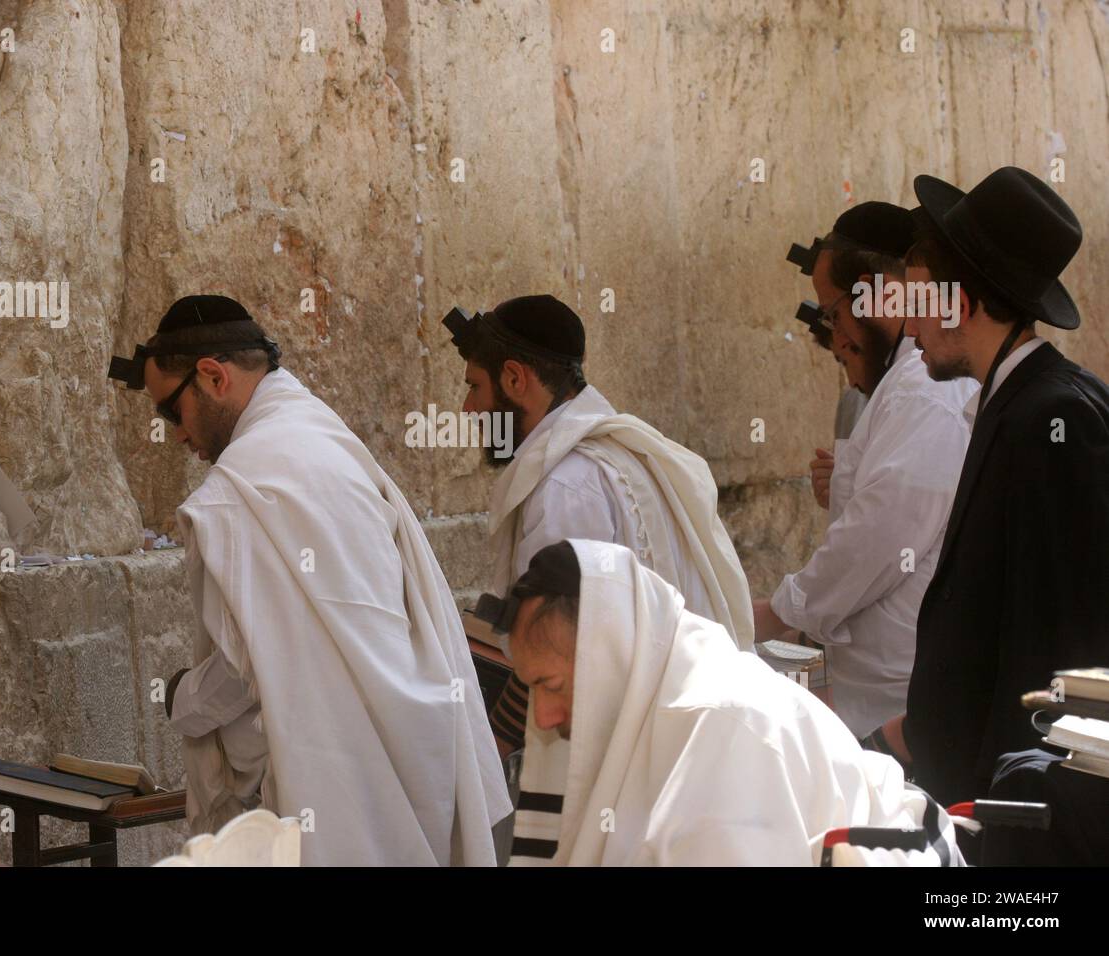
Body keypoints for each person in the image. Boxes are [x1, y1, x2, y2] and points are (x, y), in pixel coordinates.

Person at [108, 294, 511, 865]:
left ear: (213, 376)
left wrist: (183, 699)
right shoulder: (320, 435)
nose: (174, 434)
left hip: (335, 781)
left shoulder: (239, 489)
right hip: (413, 754)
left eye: (172, 411)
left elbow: (251, 668)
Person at [869, 167, 1109, 809]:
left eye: (918, 307)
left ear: (960, 306)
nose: (909, 331)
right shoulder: (1017, 405)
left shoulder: (1052, 421)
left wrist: (1008, 811)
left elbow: (1061, 654)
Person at [494, 539, 961, 866]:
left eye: (551, 685)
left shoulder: (721, 733)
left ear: (611, 659)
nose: (544, 716)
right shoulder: (651, 685)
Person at [444, 294, 753, 758]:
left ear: (514, 378)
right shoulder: (611, 453)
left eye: (475, 388)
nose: (469, 409)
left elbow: (556, 643)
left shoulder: (566, 487)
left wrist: (490, 757)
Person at [755, 203, 976, 739]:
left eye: (834, 314)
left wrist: (784, 609)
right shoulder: (905, 384)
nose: (837, 337)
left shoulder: (925, 391)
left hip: (901, 701)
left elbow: (884, 531)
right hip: (878, 693)